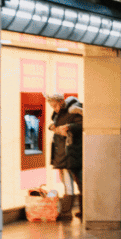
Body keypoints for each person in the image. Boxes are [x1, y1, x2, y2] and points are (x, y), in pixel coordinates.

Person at [47, 93, 83, 221]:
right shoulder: (59, 113)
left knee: (69, 182)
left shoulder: (73, 110)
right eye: (52, 106)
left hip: (69, 152)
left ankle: (66, 212)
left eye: (55, 105)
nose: (54, 108)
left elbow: (82, 125)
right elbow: (56, 123)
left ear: (62, 102)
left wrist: (68, 127)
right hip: (65, 151)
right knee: (79, 181)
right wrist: (52, 126)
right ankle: (84, 210)